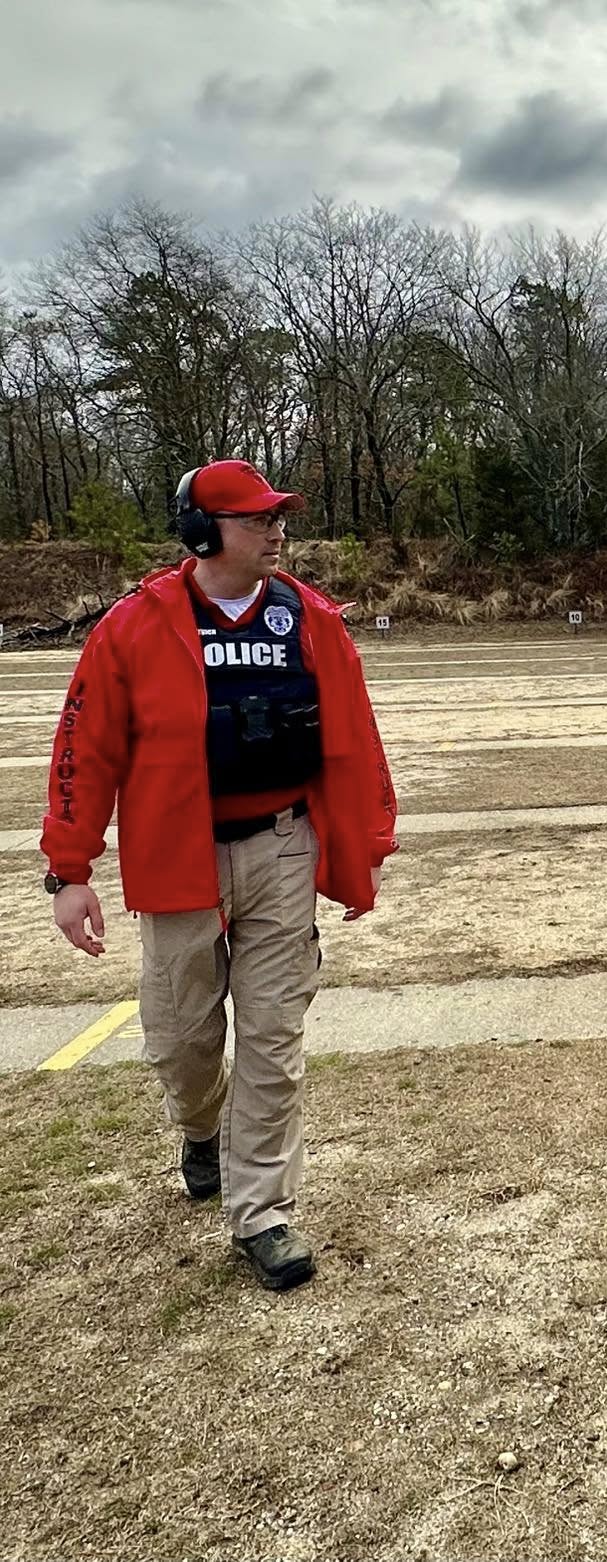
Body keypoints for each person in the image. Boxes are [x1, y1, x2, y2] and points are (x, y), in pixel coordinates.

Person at [40, 460, 397, 1292]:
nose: (276, 532)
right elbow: (83, 748)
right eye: (255, 519)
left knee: (273, 1036)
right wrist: (69, 869)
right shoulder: (135, 626)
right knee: (184, 1039)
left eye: (279, 519)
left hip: (281, 847)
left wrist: (365, 839)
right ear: (203, 532)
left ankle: (262, 1212)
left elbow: (355, 732)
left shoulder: (312, 620)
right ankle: (200, 1130)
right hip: (178, 855)